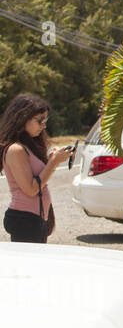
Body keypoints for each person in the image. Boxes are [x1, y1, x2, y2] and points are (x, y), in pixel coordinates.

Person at [1, 95, 75, 243]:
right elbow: (31, 189)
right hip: (24, 219)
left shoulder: (29, 145)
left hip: (34, 218)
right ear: (22, 118)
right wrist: (53, 163)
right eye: (40, 121)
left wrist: (52, 160)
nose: (44, 126)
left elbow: (38, 178)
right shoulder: (16, 149)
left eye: (45, 121)